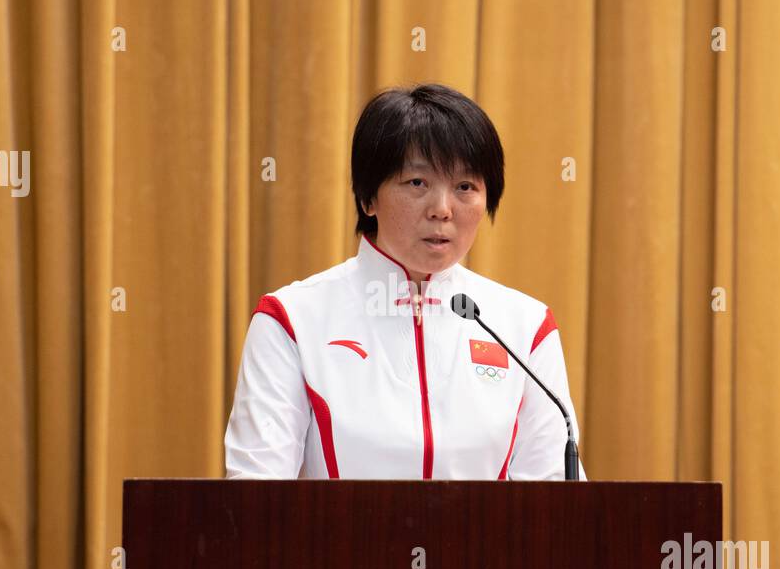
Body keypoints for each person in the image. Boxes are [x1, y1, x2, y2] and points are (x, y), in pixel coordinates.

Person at [224, 83, 586, 480]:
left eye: (465, 187)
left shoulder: (525, 327)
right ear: (368, 198)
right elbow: (255, 496)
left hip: (483, 545)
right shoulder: (291, 321)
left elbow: (555, 506)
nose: (442, 210)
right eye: (417, 183)